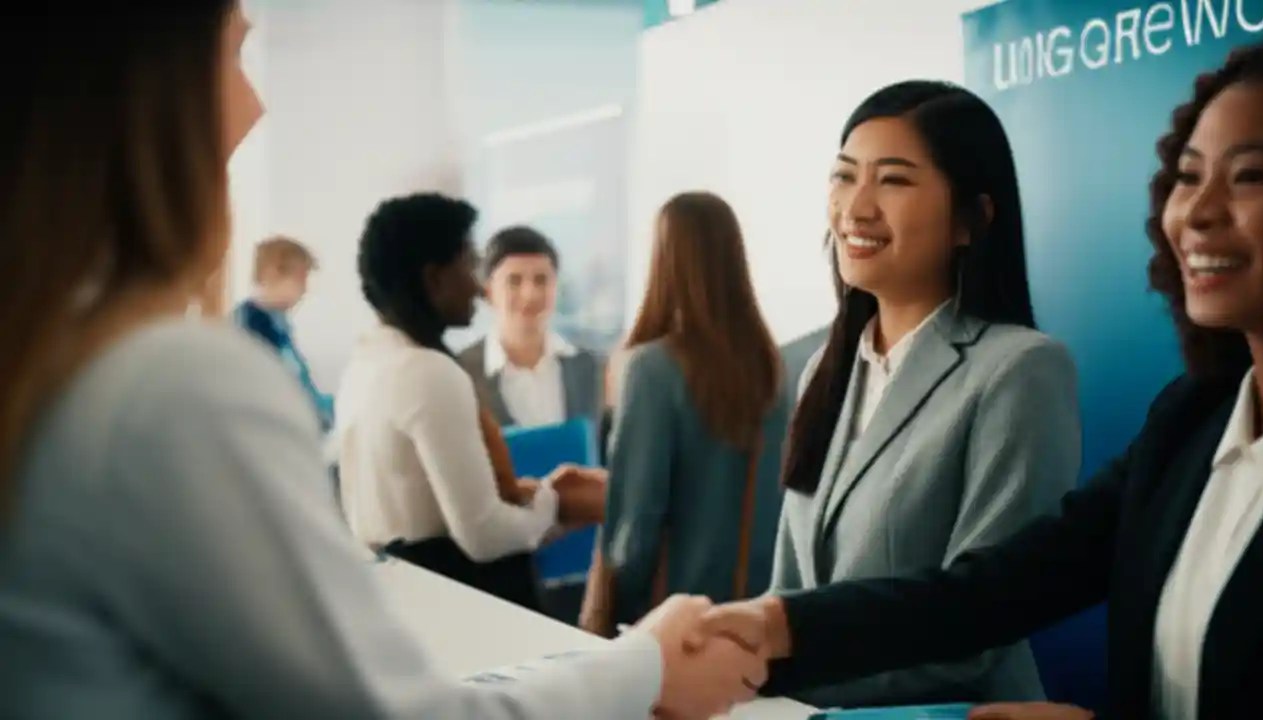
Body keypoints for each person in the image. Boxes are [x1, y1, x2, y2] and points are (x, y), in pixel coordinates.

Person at [0, 5, 766, 718]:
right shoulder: (167, 384)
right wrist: (645, 664)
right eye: (235, 49)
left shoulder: (55, 361)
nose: (256, 105)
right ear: (145, 83)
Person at [698, 37, 1263, 720]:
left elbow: (974, 637)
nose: (1199, 212)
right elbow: (985, 594)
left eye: (1250, 176)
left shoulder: (1019, 367)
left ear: (972, 219)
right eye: (1187, 176)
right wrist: (763, 635)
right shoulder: (1189, 421)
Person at [763, 80, 1082, 708]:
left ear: (972, 219)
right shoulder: (824, 370)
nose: (856, 207)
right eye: (844, 175)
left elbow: (981, 626)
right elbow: (792, 590)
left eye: (894, 180)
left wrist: (773, 668)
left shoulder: (1019, 370)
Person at [336, 194, 607, 611]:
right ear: (434, 278)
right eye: (468, 263)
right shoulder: (428, 371)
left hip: (398, 605)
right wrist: (552, 501)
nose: (476, 287)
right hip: (453, 608)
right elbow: (483, 535)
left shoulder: (366, 364)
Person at [579, 192, 789, 634]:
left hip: (669, 623)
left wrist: (609, 605)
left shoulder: (653, 368)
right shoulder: (774, 370)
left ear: (664, 259)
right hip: (756, 620)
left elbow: (637, 522)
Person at [458, 226, 603, 429]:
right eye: (514, 281)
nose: (530, 294)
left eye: (541, 280)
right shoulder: (461, 373)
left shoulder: (590, 367)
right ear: (489, 291)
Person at [232, 235, 333, 432]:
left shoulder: (278, 327)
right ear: (271, 274)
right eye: (300, 279)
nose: (305, 290)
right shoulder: (249, 329)